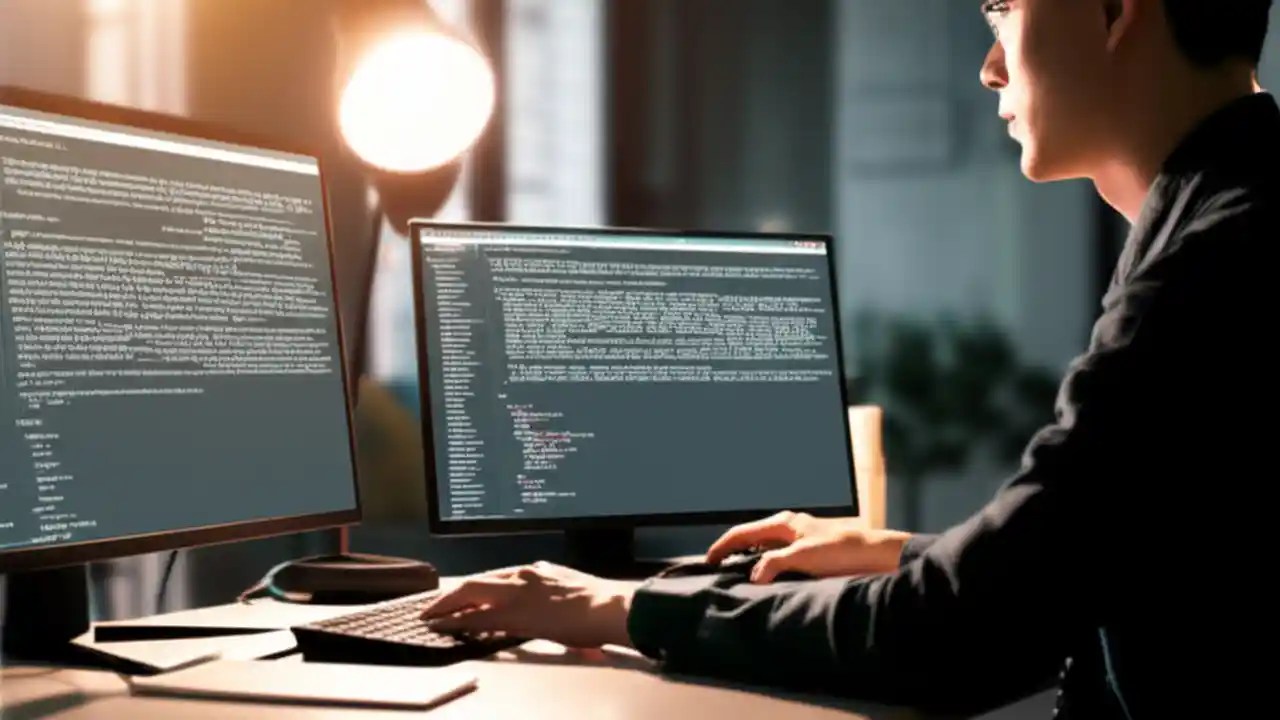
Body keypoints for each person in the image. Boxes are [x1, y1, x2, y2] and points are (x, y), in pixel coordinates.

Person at [420, 1, 1275, 717]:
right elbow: (1093, 558)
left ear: (1116, 11)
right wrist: (892, 550)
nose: (988, 67)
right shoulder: (1229, 214)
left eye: (1003, 9)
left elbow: (971, 632)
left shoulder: (1215, 263)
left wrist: (619, 607)